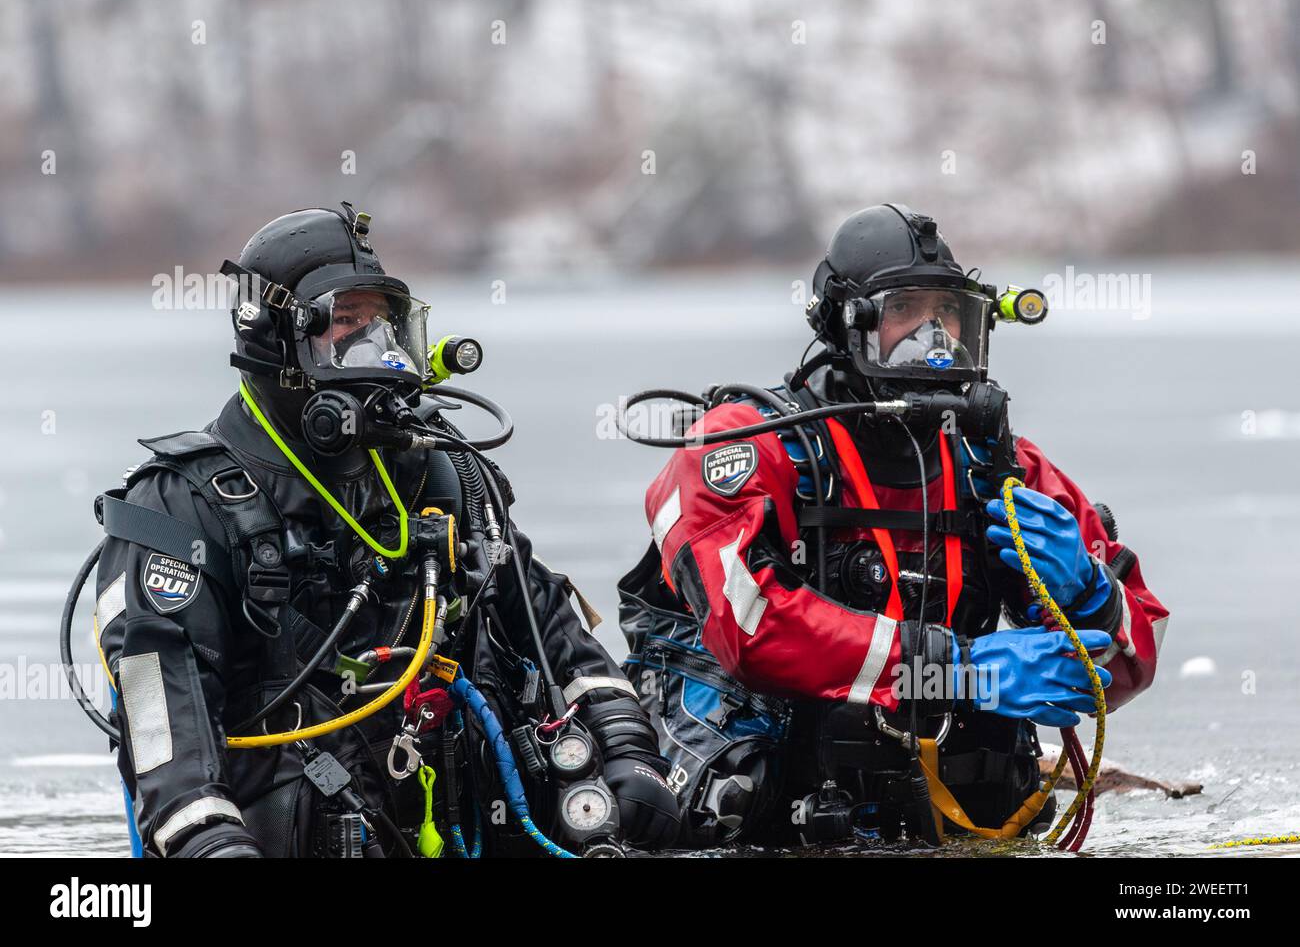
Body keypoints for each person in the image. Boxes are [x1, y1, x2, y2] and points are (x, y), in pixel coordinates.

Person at [87, 203, 678, 857]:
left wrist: (625, 740)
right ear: (273, 340)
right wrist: (209, 843)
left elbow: (550, 626)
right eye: (345, 322)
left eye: (382, 324)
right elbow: (158, 706)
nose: (371, 347)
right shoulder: (182, 505)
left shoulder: (440, 473)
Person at [618, 204, 1169, 848]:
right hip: (767, 801)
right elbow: (751, 626)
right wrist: (958, 670)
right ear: (848, 324)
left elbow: (1129, 655)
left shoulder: (998, 465)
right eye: (907, 313)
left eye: (949, 315)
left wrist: (1091, 600)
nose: (933, 338)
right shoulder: (744, 446)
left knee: (996, 756)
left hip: (934, 808)